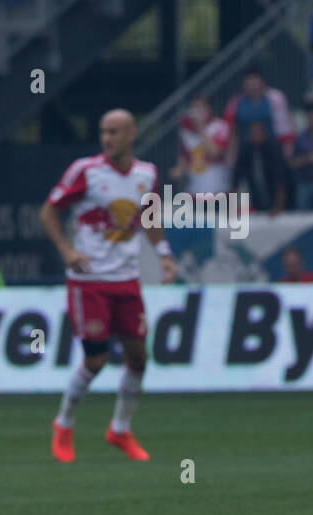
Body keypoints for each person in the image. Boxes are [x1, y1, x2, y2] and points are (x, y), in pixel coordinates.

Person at [40, 109, 177, 463]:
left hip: (126, 279)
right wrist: (67, 250)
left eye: (114, 131)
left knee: (138, 358)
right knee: (97, 359)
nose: (107, 138)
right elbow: (48, 211)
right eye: (103, 131)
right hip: (89, 281)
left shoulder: (146, 174)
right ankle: (64, 423)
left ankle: (119, 429)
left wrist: (162, 254)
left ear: (132, 134)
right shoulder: (85, 171)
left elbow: (149, 217)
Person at [172, 96, 231, 196]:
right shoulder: (185, 132)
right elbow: (184, 158)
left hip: (218, 191)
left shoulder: (219, 126)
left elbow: (215, 152)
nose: (196, 112)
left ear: (209, 110)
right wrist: (179, 169)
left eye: (200, 108)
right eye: (194, 108)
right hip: (194, 191)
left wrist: (200, 129)